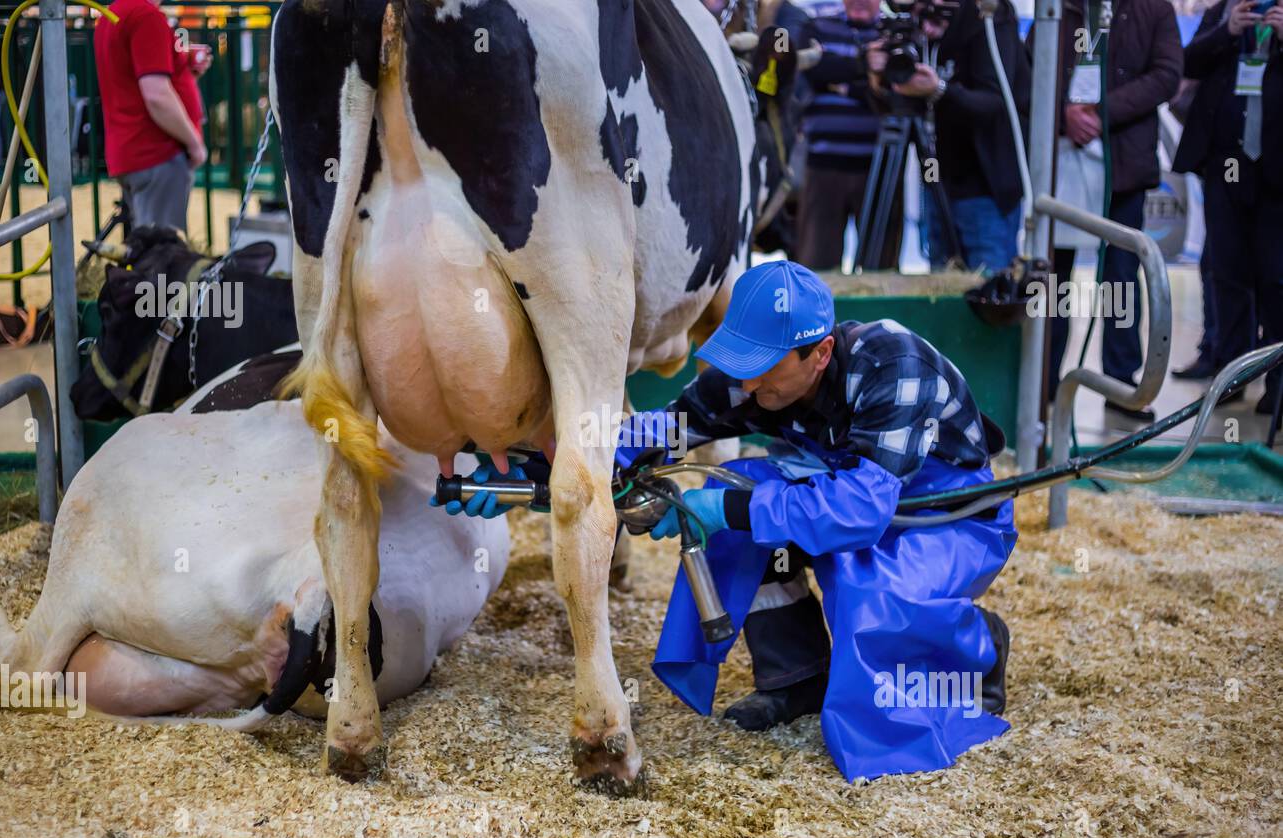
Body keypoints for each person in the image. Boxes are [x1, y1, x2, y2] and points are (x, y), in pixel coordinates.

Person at [437, 262, 1018, 783]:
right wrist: (530, 476)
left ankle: (977, 652)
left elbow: (863, 512)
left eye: (763, 368)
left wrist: (729, 513)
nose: (748, 382)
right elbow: (651, 437)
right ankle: (796, 676)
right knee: (737, 495)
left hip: (948, 515)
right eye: (741, 361)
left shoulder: (895, 365)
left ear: (818, 354)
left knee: (868, 592)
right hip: (846, 490)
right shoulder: (750, 382)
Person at [1043, 0, 1182, 422]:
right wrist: (1064, 116)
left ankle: (1121, 385)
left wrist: (1101, 112)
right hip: (1061, 165)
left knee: (1120, 277)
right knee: (1050, 281)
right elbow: (1031, 73)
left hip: (1123, 163)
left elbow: (1166, 75)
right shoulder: (1058, 9)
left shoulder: (1152, 9)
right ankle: (1042, 382)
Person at [1172, 0, 1283, 415]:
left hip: (1275, 173)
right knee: (1227, 274)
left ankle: (1279, 383)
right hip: (1226, 167)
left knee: (1275, 279)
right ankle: (1231, 376)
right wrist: (1227, 32)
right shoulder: (1223, 12)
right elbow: (1186, 62)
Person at [876, 0, 1031, 273]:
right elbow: (901, 94)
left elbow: (995, 101)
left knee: (988, 289)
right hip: (936, 179)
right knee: (940, 283)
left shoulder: (990, 13)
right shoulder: (923, 23)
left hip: (984, 187)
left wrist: (939, 89)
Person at [795, 0, 904, 270]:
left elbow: (895, 92)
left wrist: (843, 86)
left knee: (881, 265)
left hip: (880, 169)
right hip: (823, 165)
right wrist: (864, 66)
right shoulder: (817, 24)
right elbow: (813, 69)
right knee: (815, 262)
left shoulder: (894, 32)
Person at [94, 0, 208, 232]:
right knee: (162, 254)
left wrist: (183, 74)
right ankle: (160, 273)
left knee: (149, 247)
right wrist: (194, 143)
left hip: (132, 151)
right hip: (156, 153)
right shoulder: (146, 16)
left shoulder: (112, 14)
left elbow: (138, 85)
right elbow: (156, 95)